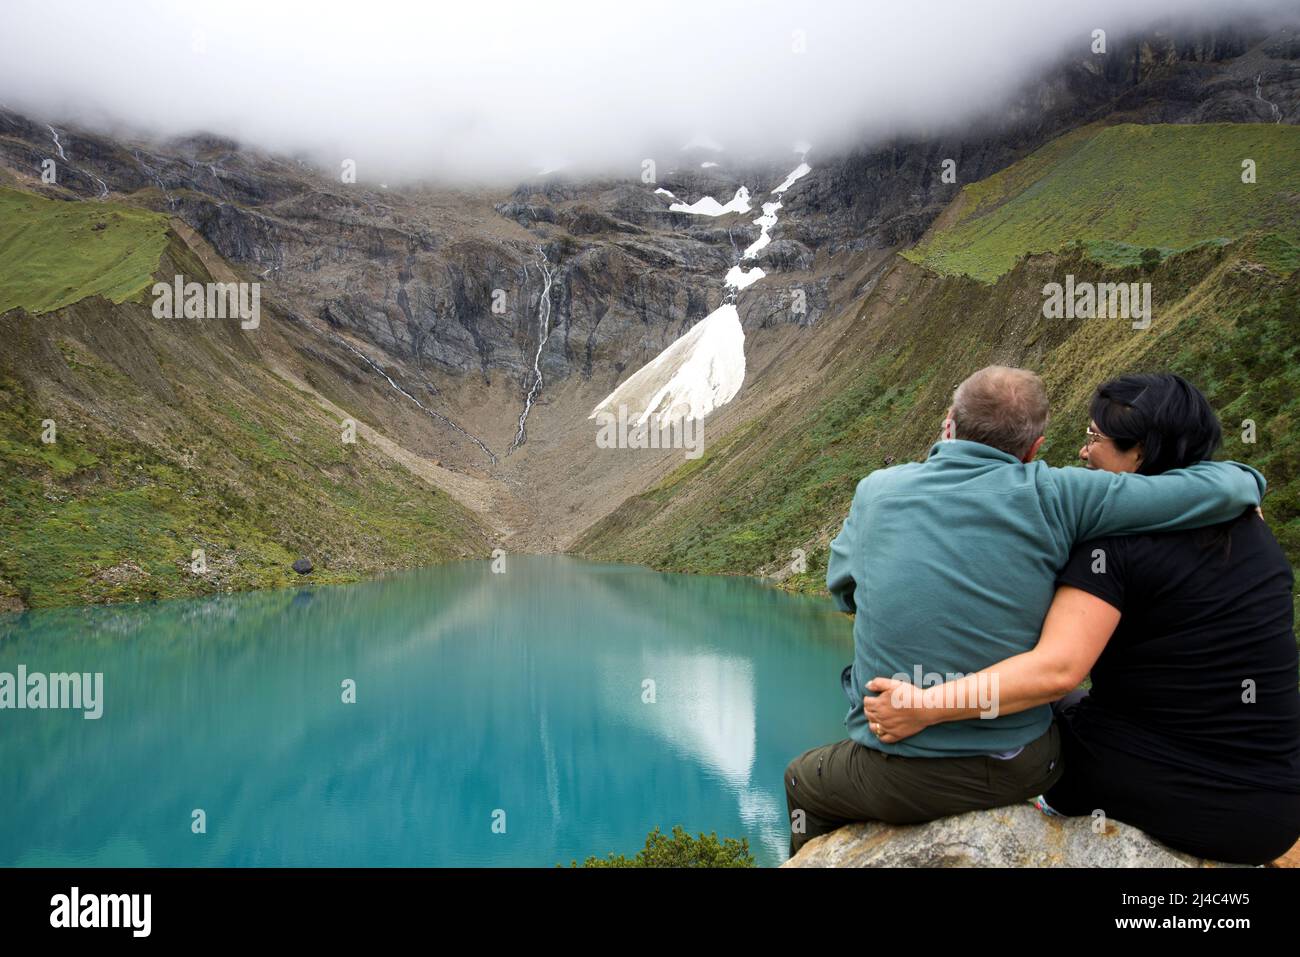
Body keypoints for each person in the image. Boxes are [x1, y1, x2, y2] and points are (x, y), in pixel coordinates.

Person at [784, 366, 1266, 857]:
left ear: (948, 425)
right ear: (1034, 449)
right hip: (1025, 764)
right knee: (1066, 700)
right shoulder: (1062, 493)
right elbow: (1218, 490)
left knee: (802, 779)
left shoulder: (876, 491)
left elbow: (843, 591)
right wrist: (1247, 479)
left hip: (901, 767)